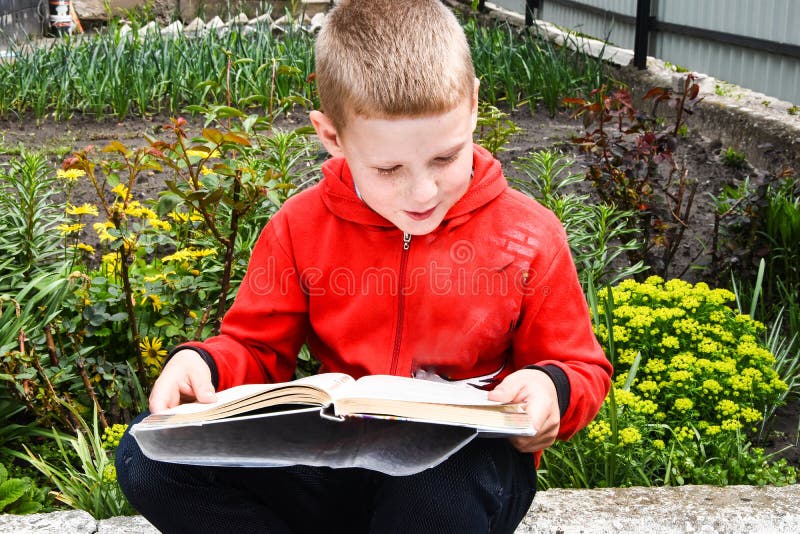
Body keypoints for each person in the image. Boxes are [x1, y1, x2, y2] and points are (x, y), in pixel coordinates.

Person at [115, 1, 612, 532]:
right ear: (332, 136)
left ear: (472, 107)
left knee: (435, 489)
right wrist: (207, 367)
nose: (422, 192)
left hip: (464, 466)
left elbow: (579, 365)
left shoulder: (529, 234)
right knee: (149, 458)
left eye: (445, 158)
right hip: (337, 454)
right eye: (388, 169)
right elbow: (256, 348)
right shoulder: (298, 227)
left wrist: (550, 388)